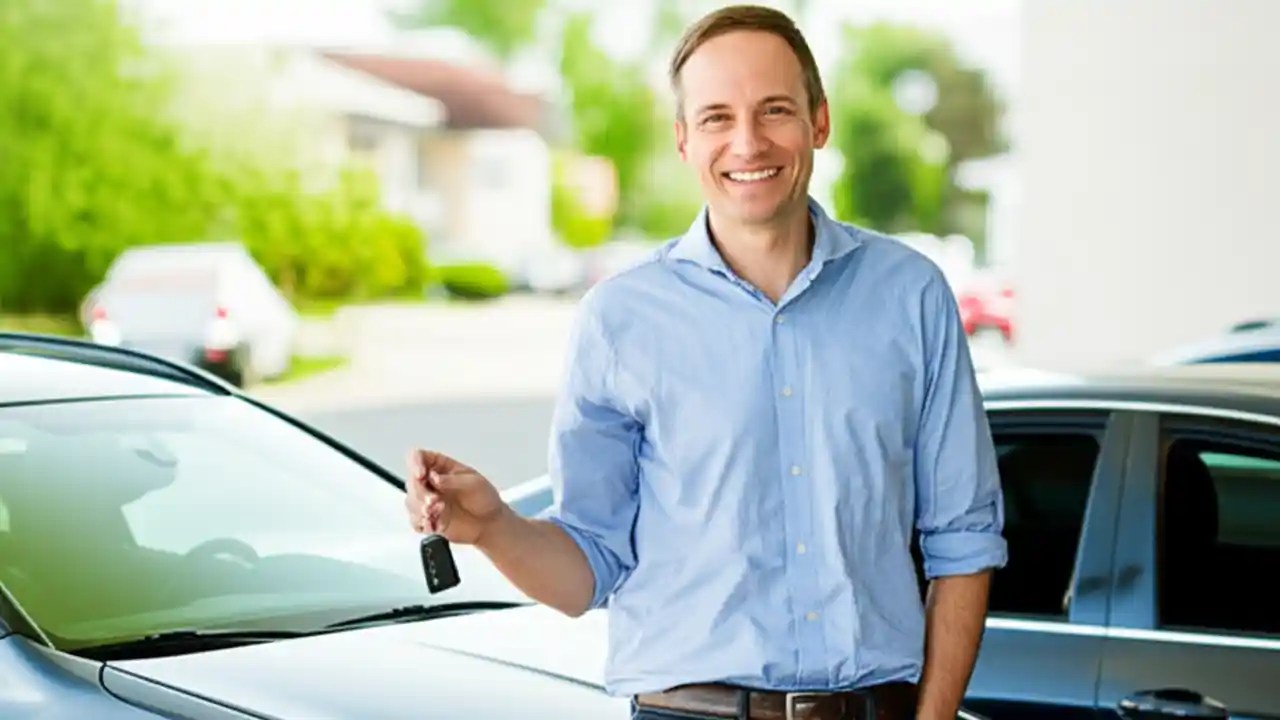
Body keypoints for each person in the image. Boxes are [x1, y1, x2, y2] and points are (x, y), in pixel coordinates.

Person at [404, 5, 1007, 719]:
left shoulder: (911, 297)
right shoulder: (620, 320)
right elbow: (588, 570)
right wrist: (494, 527)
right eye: (717, 117)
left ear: (819, 121)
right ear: (685, 140)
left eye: (774, 109)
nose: (747, 142)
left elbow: (963, 540)